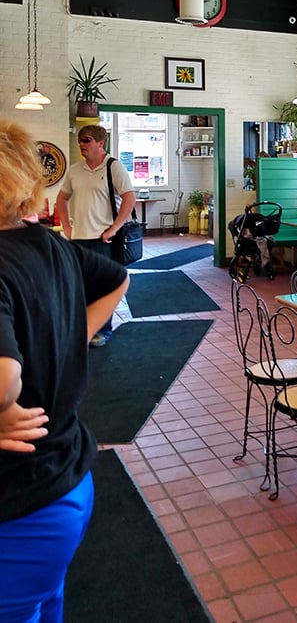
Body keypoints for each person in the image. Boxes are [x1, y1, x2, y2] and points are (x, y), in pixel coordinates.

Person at [0, 119, 129, 623]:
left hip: (23, 502)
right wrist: (67, 337)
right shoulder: (49, 246)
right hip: (66, 478)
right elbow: (117, 282)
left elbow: (5, 379)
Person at [56, 124, 135, 346]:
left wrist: (114, 229)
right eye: (80, 140)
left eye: (87, 140)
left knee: (103, 285)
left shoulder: (114, 167)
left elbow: (129, 199)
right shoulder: (74, 170)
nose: (81, 144)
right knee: (80, 285)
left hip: (103, 240)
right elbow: (61, 199)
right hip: (78, 238)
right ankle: (84, 328)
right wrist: (67, 226)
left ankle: (103, 331)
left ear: (101, 143)